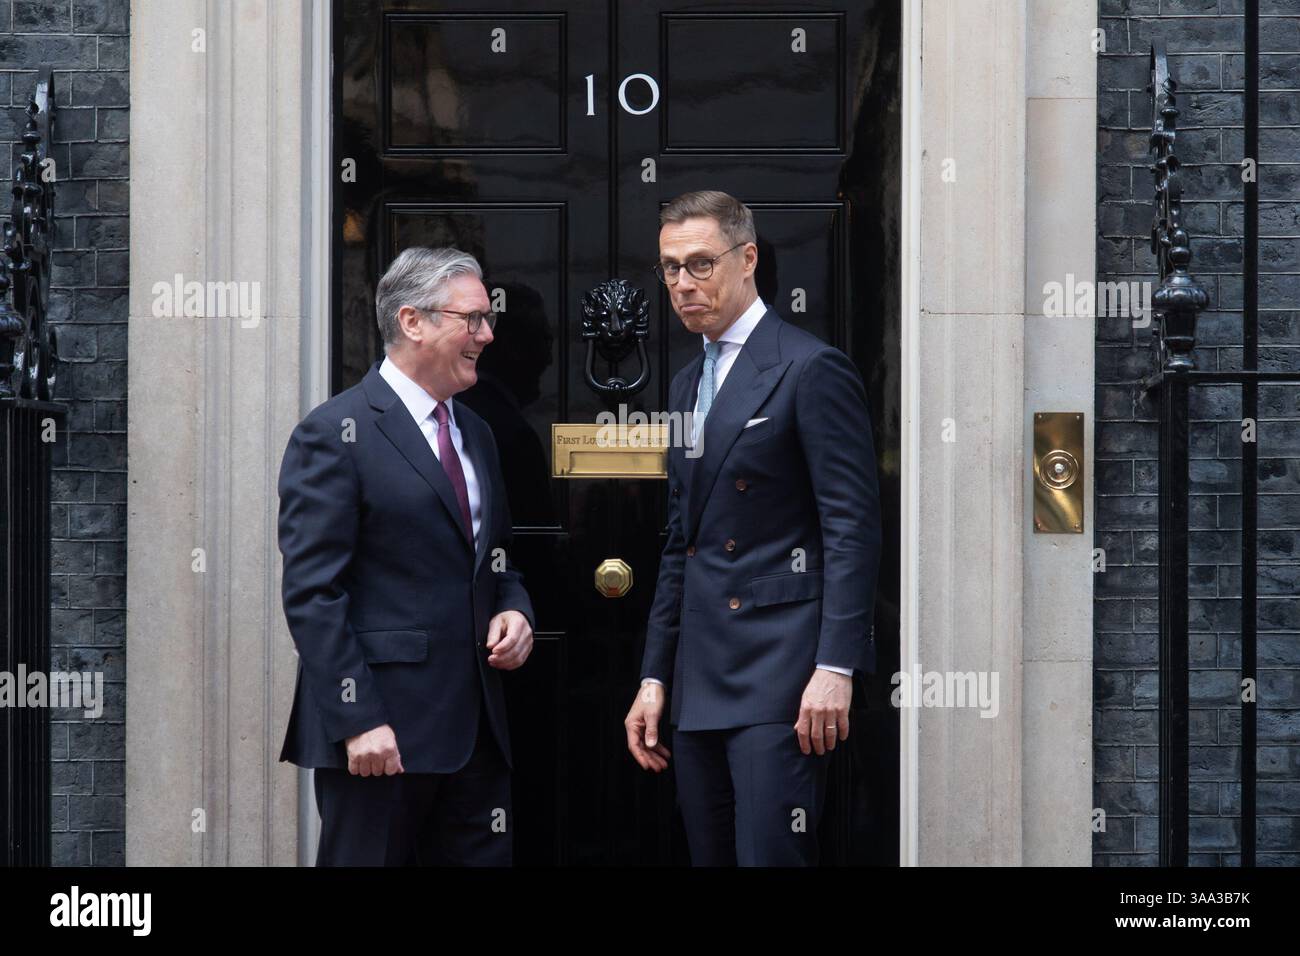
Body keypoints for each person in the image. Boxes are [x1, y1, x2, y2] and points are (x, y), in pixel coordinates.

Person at [624, 191, 882, 866]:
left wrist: (836, 667)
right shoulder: (685, 386)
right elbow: (683, 542)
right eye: (671, 268)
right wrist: (655, 676)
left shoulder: (809, 367)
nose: (683, 284)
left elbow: (852, 526)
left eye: (701, 264)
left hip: (783, 674)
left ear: (748, 260)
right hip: (698, 678)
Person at [277, 246, 534, 865]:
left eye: (486, 319)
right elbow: (314, 592)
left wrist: (516, 608)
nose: (487, 334)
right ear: (413, 320)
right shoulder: (335, 433)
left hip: (476, 733)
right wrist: (358, 719)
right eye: (471, 319)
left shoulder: (476, 432)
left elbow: (496, 557)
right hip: (379, 737)